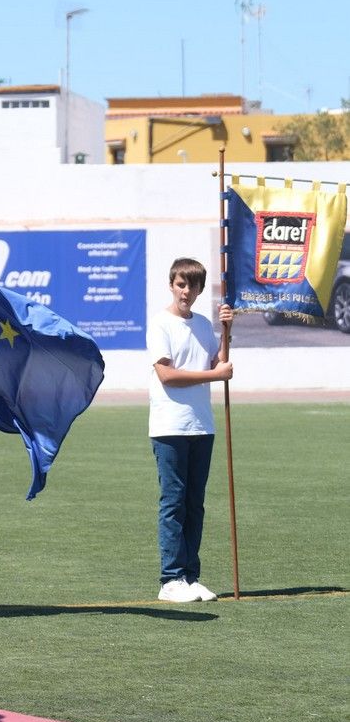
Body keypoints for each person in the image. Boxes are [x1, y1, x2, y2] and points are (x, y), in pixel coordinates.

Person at [148, 257, 233, 604]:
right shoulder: (160, 324)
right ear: (172, 284)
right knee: (174, 502)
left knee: (195, 504)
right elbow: (167, 375)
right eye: (182, 284)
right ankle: (170, 579)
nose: (187, 291)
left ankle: (190, 577)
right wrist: (216, 375)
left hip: (202, 425)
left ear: (200, 290)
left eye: (194, 286)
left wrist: (227, 331)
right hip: (170, 425)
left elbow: (219, 362)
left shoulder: (202, 324)